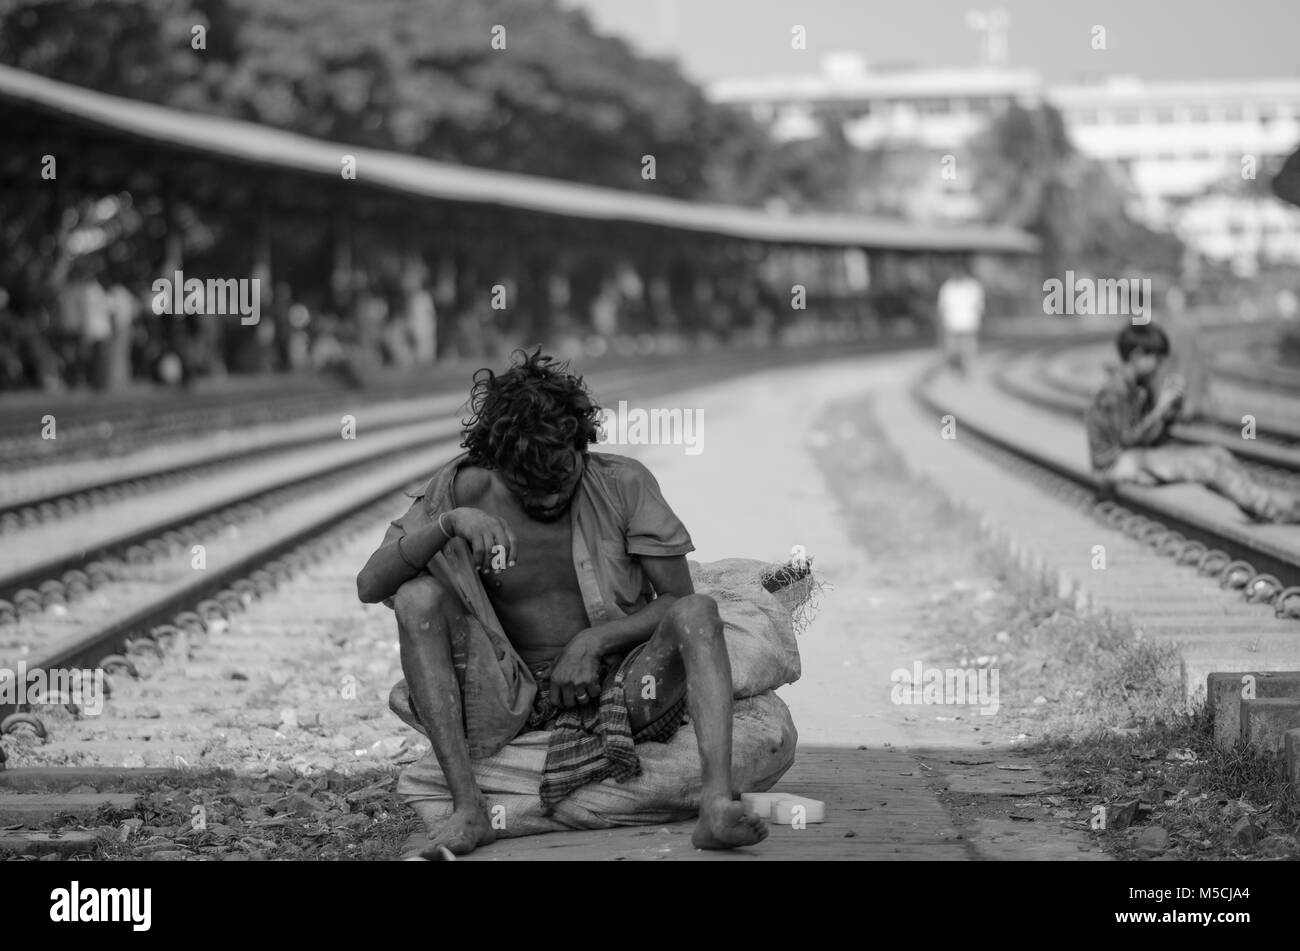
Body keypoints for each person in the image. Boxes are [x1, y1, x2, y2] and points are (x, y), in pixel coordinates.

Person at [356, 348, 768, 857]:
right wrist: (447, 524)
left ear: (582, 445)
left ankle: (715, 808)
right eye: (531, 486)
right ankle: (469, 808)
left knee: (699, 612)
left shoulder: (623, 483)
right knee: (417, 596)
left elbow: (677, 600)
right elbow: (369, 585)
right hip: (512, 701)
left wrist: (595, 641)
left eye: (563, 479)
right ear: (498, 464)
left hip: (626, 684)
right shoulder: (462, 490)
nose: (550, 499)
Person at [1085, 324, 1300, 523]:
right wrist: (1160, 408)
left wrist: (1169, 411)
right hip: (1113, 466)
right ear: (1137, 356)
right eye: (1157, 360)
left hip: (1132, 457)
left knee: (1216, 454)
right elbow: (1128, 439)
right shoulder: (1114, 390)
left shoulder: (1138, 387)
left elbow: (1151, 439)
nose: (1160, 366)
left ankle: (1265, 503)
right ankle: (1271, 509)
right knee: (1205, 466)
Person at [936, 256, 984, 375]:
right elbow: (942, 308)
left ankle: (966, 374)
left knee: (968, 353)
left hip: (969, 325)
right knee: (952, 353)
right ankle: (956, 373)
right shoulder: (947, 287)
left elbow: (979, 307)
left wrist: (978, 322)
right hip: (951, 325)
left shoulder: (974, 286)